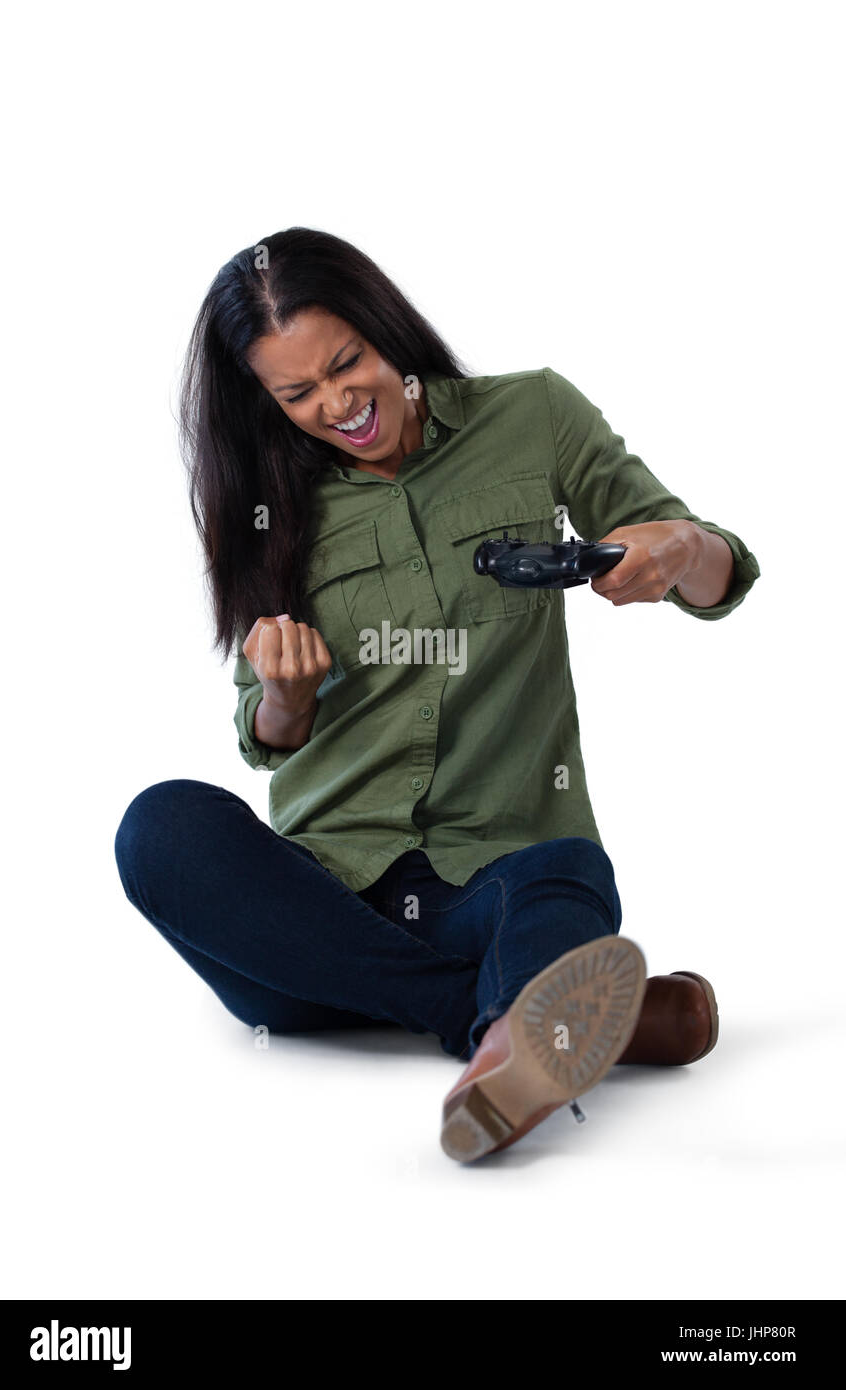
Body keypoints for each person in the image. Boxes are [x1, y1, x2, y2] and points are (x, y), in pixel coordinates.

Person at [113, 227, 760, 1162]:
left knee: (564, 875)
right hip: (319, 912)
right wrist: (285, 699)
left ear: (387, 328)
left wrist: (681, 551)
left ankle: (525, 1016)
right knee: (159, 829)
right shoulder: (264, 501)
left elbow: (716, 569)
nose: (340, 404)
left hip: (495, 867)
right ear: (265, 399)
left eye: (350, 363)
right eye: (298, 393)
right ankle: (507, 1022)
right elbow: (266, 737)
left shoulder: (532, 415)